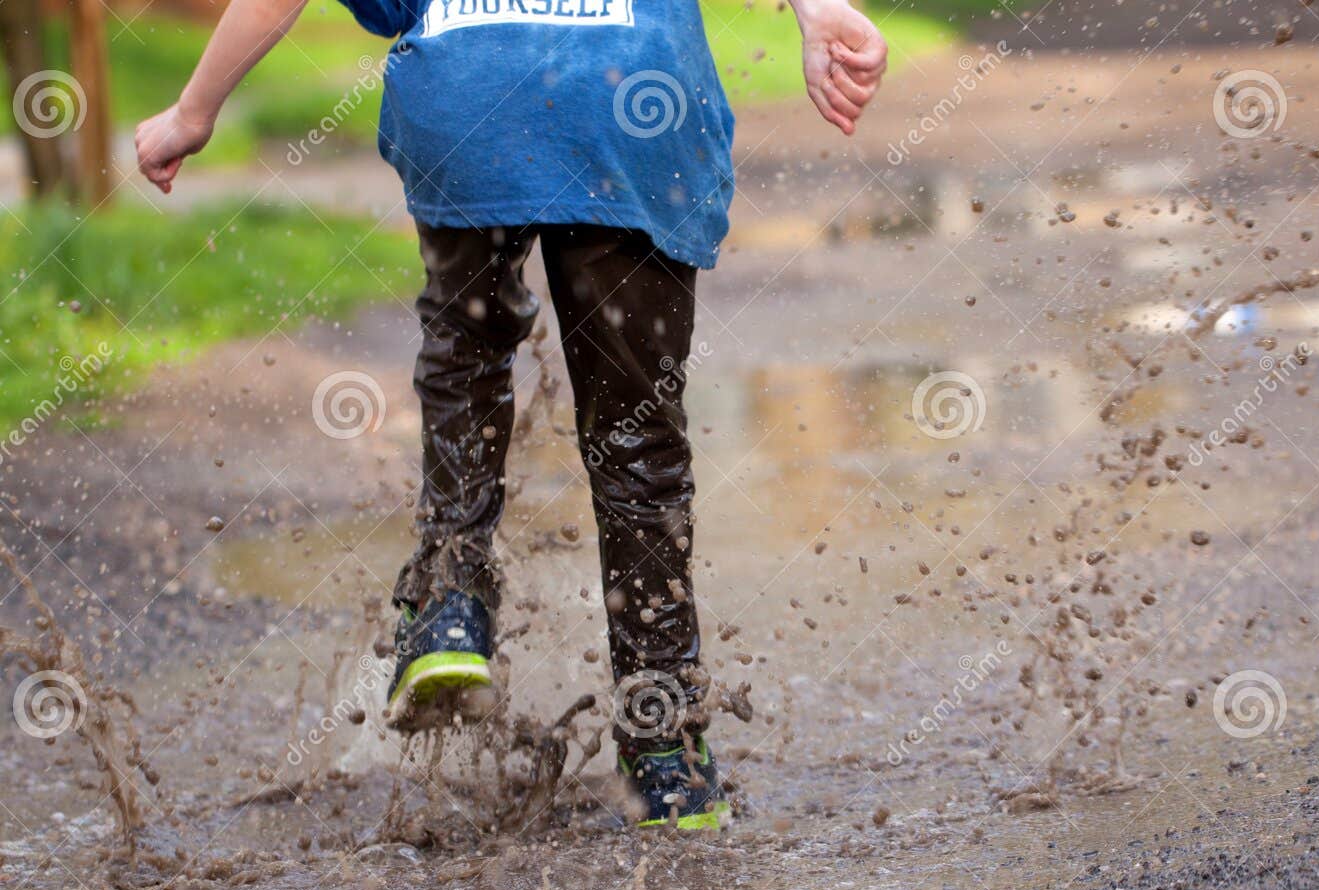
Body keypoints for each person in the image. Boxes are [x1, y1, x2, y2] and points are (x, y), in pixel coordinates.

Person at [135, 0, 888, 829]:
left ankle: (452, 601)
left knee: (465, 352)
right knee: (636, 439)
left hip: (468, 93)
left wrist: (192, 112)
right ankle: (663, 745)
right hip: (629, 99)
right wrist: (818, 11)